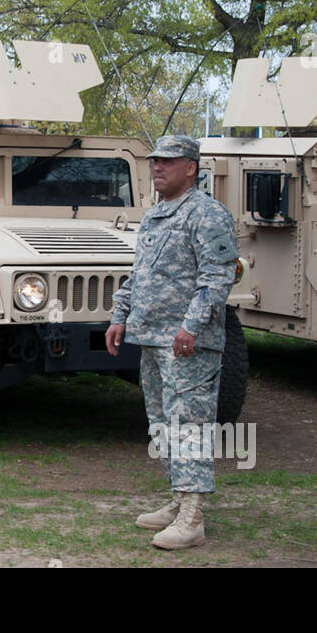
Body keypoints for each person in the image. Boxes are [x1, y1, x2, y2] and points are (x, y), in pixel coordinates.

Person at [106, 134, 238, 550]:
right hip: (153, 338)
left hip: (188, 344)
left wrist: (191, 327)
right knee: (162, 423)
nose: (157, 167)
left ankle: (193, 517)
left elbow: (218, 278)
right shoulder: (156, 215)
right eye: (154, 161)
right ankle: (179, 499)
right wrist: (119, 316)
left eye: (167, 161)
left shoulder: (207, 215)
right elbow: (139, 273)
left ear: (191, 167)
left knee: (189, 425)